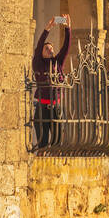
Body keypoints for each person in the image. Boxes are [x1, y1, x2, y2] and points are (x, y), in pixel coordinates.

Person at [32, 14, 71, 148]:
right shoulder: (38, 63)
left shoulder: (57, 63)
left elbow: (66, 47)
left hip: (56, 106)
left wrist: (67, 28)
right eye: (46, 48)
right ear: (41, 52)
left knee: (57, 142)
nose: (50, 50)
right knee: (42, 142)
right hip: (42, 107)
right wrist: (48, 28)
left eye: (51, 48)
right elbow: (38, 47)